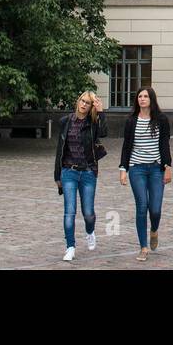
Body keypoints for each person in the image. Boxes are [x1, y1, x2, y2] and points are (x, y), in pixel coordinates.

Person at [119, 86, 172, 262]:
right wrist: (123, 169)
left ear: (151, 99)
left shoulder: (161, 120)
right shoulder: (131, 121)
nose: (142, 99)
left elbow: (165, 144)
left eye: (145, 96)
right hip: (137, 169)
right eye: (140, 96)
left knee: (155, 209)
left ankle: (154, 230)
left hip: (156, 168)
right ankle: (143, 247)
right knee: (142, 206)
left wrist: (168, 167)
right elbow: (126, 146)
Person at [53, 91, 107, 262]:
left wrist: (101, 113)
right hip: (68, 171)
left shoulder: (93, 123)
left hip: (88, 172)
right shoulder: (66, 121)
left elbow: (104, 133)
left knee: (88, 213)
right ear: (78, 101)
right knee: (69, 212)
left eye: (88, 103)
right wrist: (57, 175)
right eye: (82, 101)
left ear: (91, 106)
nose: (84, 105)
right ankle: (70, 247)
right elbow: (60, 149)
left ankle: (90, 231)